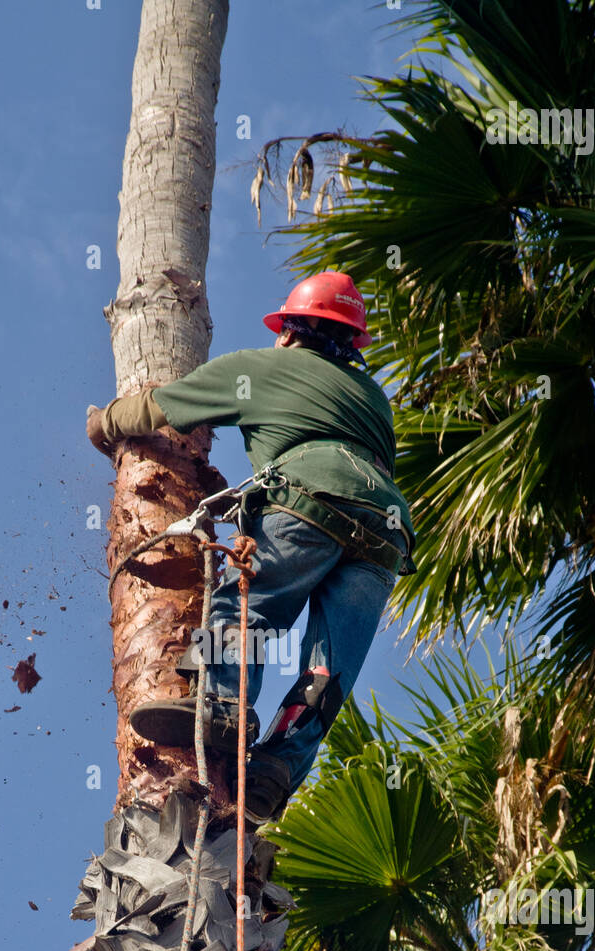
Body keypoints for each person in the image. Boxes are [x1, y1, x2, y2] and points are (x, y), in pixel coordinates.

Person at [86, 271, 415, 824]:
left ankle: (221, 706)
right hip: (385, 533)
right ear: (350, 343)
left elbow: (162, 406)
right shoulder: (372, 399)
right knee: (327, 668)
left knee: (248, 608)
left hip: (308, 502)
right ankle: (277, 768)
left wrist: (104, 425)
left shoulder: (260, 369)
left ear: (287, 330)